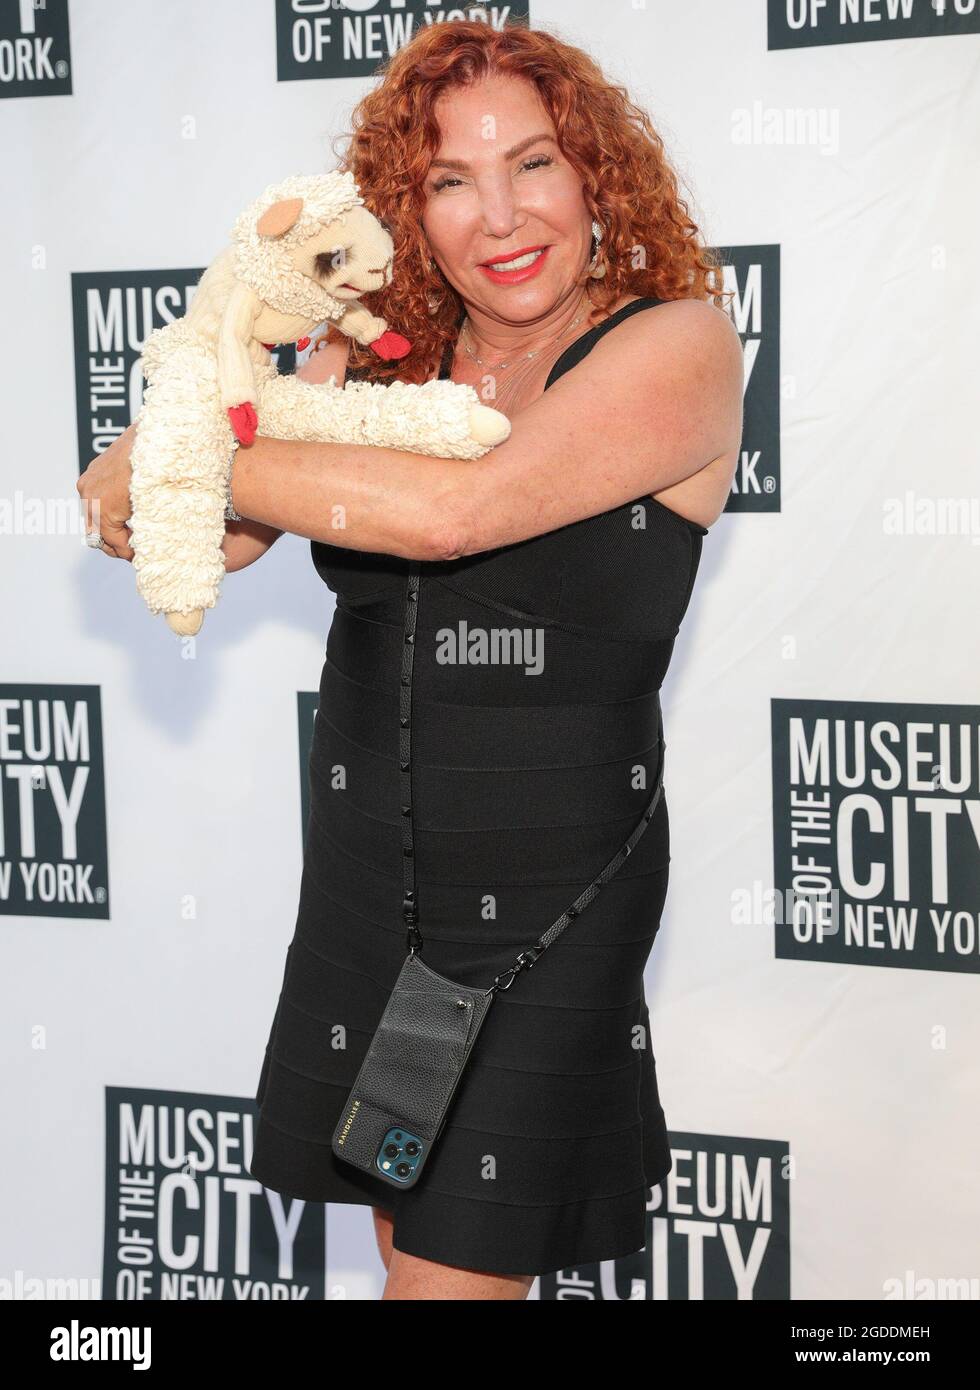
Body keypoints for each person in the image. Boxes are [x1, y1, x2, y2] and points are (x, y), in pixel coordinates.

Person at [78, 18, 742, 1301]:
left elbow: (457, 513)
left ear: (595, 175)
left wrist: (180, 443)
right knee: (399, 1235)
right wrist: (153, 488)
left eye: (533, 163)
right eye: (449, 180)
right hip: (367, 876)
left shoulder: (675, 346)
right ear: (407, 210)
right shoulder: (386, 354)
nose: (500, 212)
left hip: (548, 902)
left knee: (450, 1276)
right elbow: (224, 530)